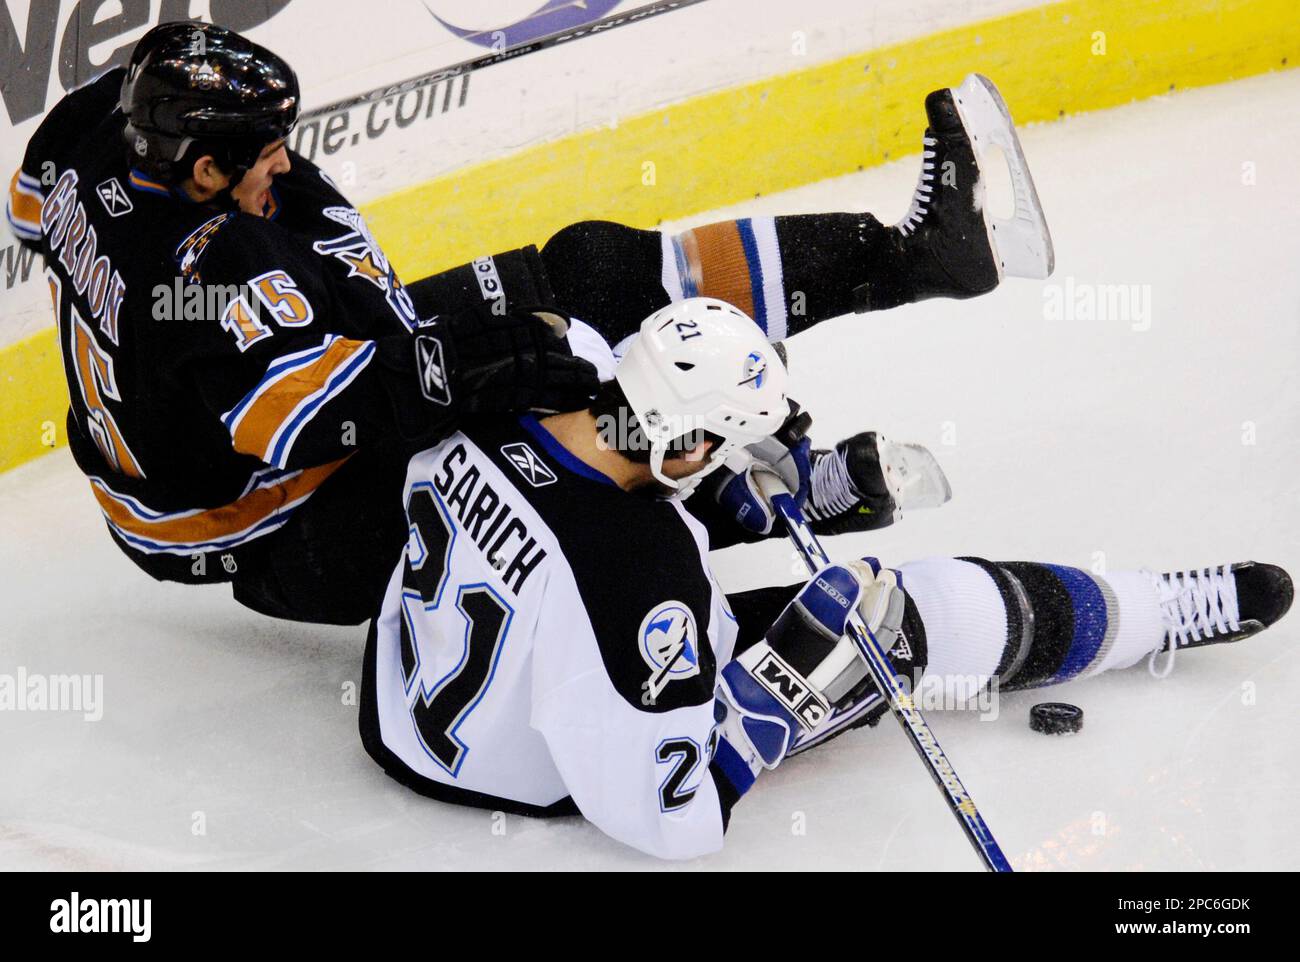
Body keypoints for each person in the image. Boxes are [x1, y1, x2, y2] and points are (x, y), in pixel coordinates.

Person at [7, 21, 1050, 625]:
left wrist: (472, 348)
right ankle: (757, 510)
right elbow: (293, 422)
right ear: (197, 167)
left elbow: (41, 215)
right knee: (520, 423)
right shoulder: (211, 275)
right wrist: (470, 373)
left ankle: (917, 259)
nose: (284, 160)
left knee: (583, 278)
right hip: (272, 531)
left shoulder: (89, 131)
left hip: (216, 421)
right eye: (263, 152)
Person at [359, 297, 1292, 859]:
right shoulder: (646, 580)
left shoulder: (512, 392)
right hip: (526, 769)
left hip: (406, 709)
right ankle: (1157, 613)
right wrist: (769, 715)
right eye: (724, 444)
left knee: (632, 537)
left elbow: (602, 499)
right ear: (687, 437)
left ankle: (794, 493)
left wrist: (716, 481)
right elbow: (669, 819)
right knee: (921, 614)